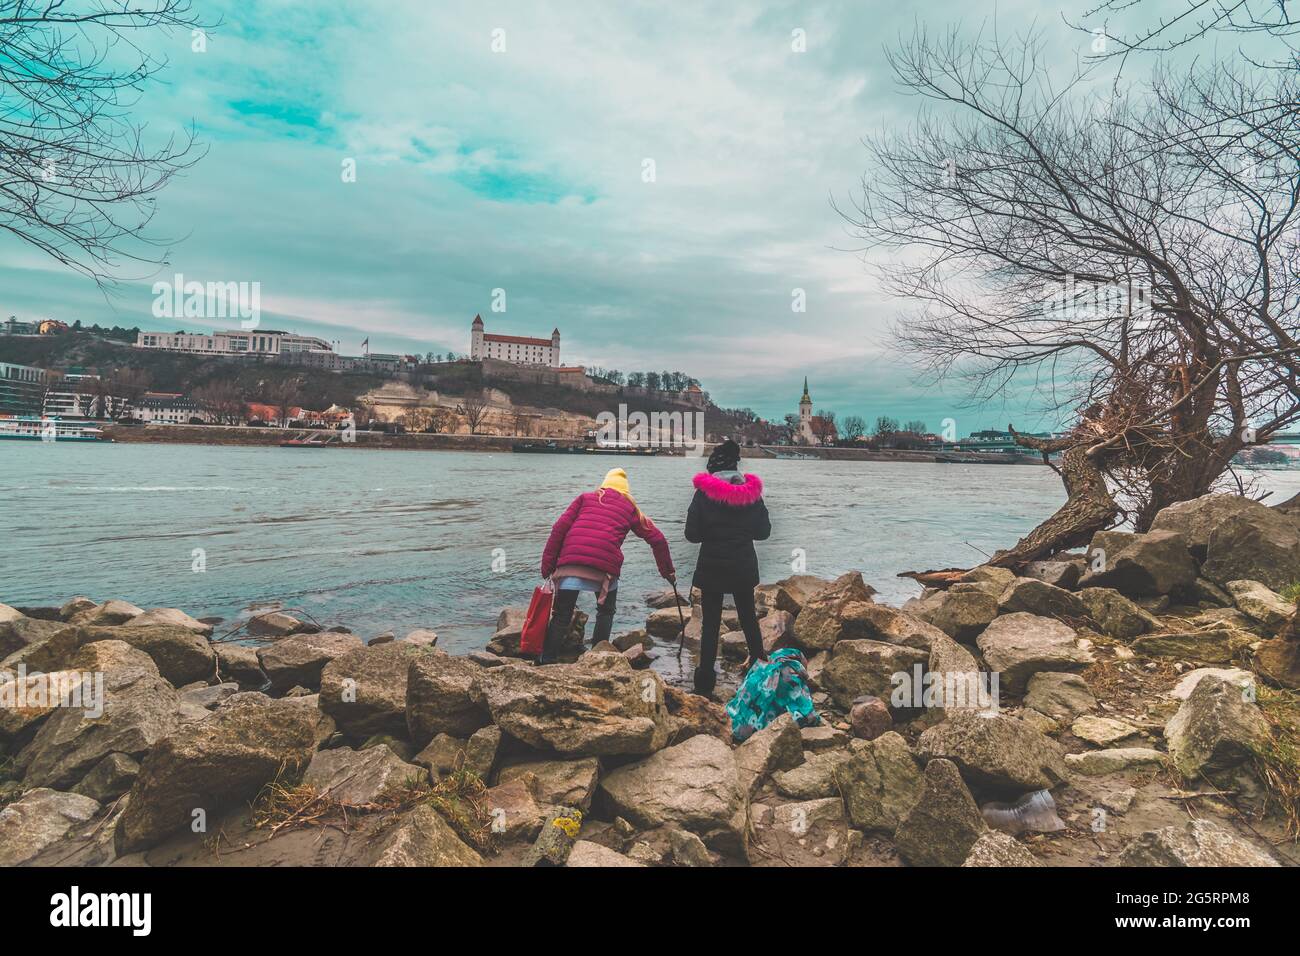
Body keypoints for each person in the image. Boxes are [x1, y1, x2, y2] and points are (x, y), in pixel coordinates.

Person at [539, 467, 675, 663]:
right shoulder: (630, 508)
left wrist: (547, 566)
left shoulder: (585, 498)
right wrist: (668, 572)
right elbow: (658, 540)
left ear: (604, 484)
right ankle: (597, 657)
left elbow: (559, 529)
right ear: (625, 490)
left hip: (570, 564)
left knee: (561, 615)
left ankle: (547, 660)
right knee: (605, 611)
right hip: (604, 571)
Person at [685, 439, 771, 695]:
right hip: (743, 566)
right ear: (735, 465)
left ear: (713, 468)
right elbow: (763, 532)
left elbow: (692, 534)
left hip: (712, 567)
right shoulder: (751, 494)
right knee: (748, 619)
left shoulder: (703, 494)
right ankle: (760, 672)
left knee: (710, 624)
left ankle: (704, 684)